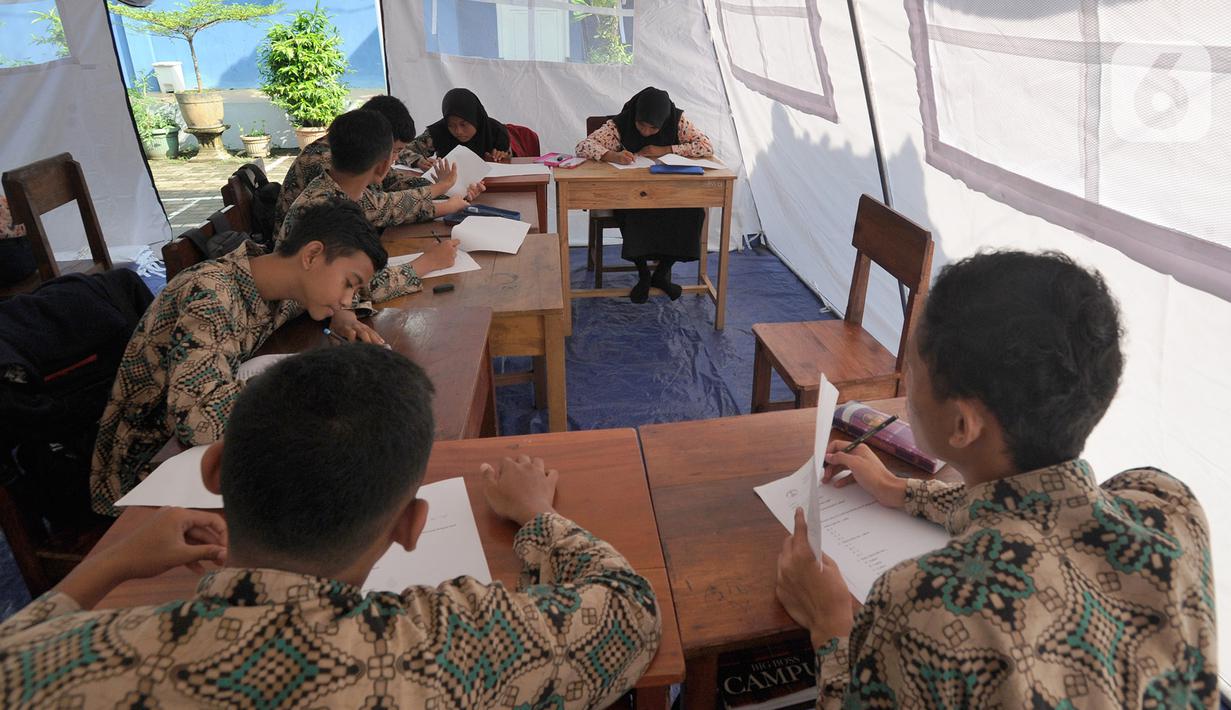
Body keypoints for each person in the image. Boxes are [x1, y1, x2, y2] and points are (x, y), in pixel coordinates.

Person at [4, 345, 663, 708]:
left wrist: (111, 563)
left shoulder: (82, 660)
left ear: (214, 470)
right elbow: (631, 613)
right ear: (409, 524)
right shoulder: (452, 644)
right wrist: (539, 518)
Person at [774, 251, 1218, 707]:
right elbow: (1046, 504)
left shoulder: (925, 603)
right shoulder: (1168, 504)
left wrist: (829, 628)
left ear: (962, 426)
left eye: (912, 372)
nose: (906, 385)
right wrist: (900, 490)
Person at [89, 198, 427, 516]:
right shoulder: (211, 296)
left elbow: (350, 290)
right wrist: (310, 377)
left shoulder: (280, 280)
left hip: (201, 459)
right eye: (348, 284)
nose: (347, 297)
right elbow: (198, 421)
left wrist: (343, 314)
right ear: (311, 256)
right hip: (145, 475)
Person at [575, 86, 714, 303]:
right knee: (633, 213)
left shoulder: (677, 121)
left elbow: (705, 146)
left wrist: (667, 149)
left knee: (693, 212)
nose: (646, 132)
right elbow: (583, 146)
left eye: (653, 128)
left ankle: (661, 274)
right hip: (633, 193)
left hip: (670, 192)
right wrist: (612, 155)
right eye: (641, 125)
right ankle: (643, 274)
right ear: (635, 116)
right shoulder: (621, 123)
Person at [274, 95, 484, 233]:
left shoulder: (348, 150)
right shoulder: (325, 161)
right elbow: (376, 206)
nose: (392, 160)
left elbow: (390, 182)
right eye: (395, 151)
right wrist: (443, 199)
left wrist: (451, 191)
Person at [403, 88, 512, 167]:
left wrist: (502, 157)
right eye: (451, 125)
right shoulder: (438, 132)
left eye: (463, 124)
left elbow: (509, 157)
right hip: (450, 187)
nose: (458, 131)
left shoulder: (496, 131)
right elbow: (401, 150)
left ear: (475, 118)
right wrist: (418, 161)